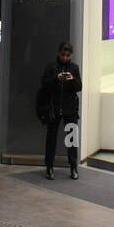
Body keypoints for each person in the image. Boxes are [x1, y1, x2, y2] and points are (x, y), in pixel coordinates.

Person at [37, 42, 82, 180]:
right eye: (63, 55)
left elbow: (79, 87)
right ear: (58, 53)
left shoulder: (74, 68)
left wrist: (72, 79)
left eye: (68, 55)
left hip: (70, 109)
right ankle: (49, 166)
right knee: (51, 138)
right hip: (53, 108)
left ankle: (73, 167)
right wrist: (56, 79)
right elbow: (44, 84)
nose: (65, 58)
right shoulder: (51, 67)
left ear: (71, 55)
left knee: (72, 139)